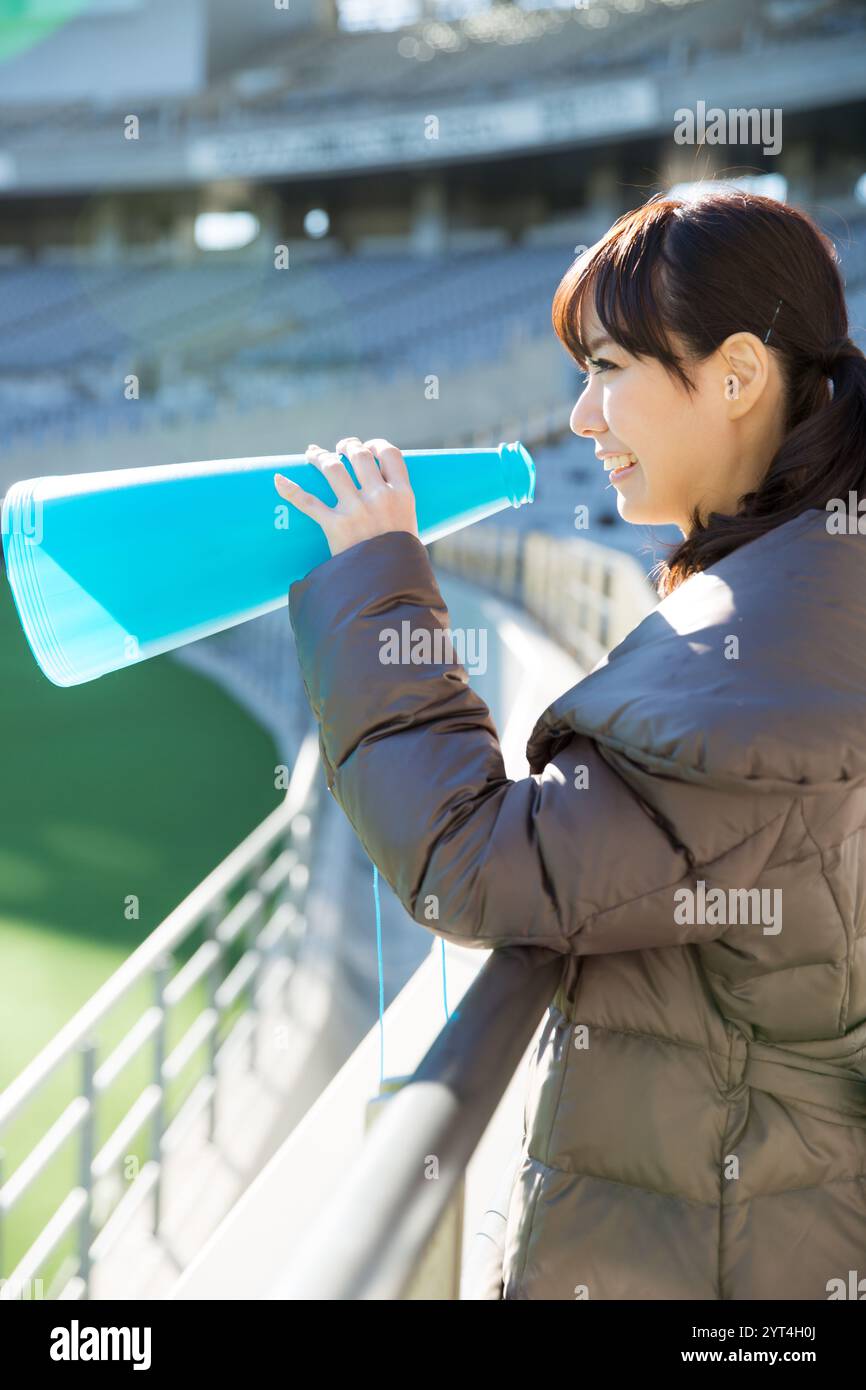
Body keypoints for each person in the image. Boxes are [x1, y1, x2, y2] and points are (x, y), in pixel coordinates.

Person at [273, 190, 866, 1300]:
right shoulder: (810, 588)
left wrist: (375, 586)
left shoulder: (760, 648)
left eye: (607, 369)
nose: (583, 417)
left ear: (736, 376)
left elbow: (473, 863)